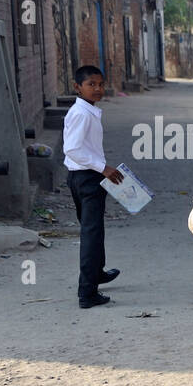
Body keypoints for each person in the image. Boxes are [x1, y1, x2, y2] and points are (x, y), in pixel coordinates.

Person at [62, 65, 124, 309]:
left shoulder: (88, 111)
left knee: (94, 231)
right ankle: (87, 293)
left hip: (86, 177)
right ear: (77, 87)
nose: (97, 89)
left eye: (100, 84)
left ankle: (97, 273)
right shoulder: (81, 114)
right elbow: (73, 149)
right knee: (91, 234)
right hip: (86, 178)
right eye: (91, 85)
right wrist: (103, 167)